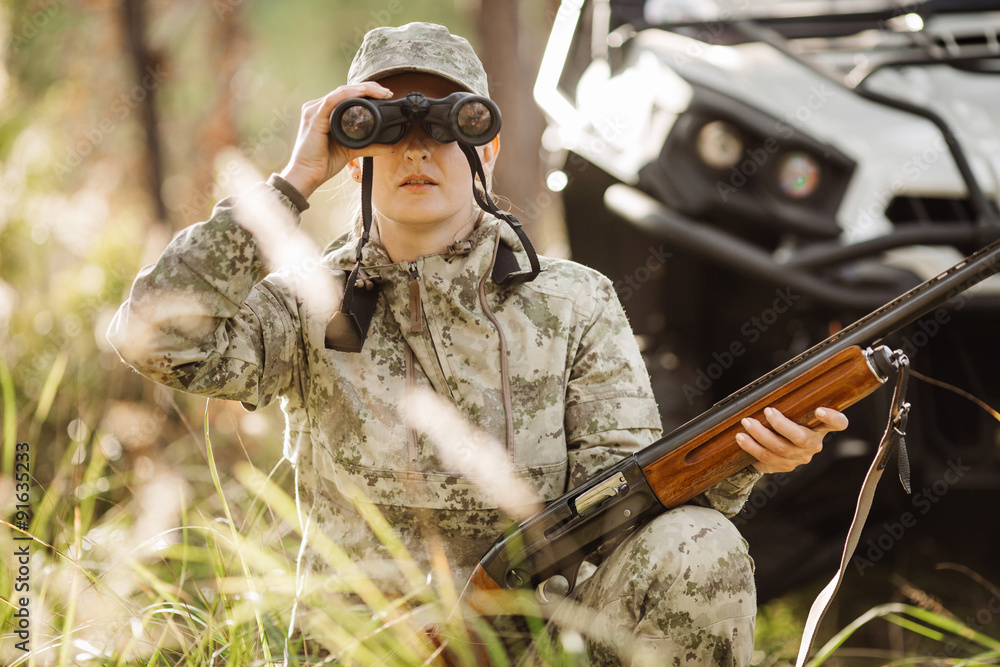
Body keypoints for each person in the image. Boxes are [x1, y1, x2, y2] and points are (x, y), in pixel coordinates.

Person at [108, 21, 848, 666]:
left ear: (484, 148)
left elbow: (628, 509)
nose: (417, 149)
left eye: (445, 124)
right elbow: (153, 338)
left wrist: (742, 464)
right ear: (354, 147)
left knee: (699, 543)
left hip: (544, 645)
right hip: (373, 648)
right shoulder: (311, 301)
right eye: (387, 124)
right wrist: (295, 179)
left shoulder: (570, 300)